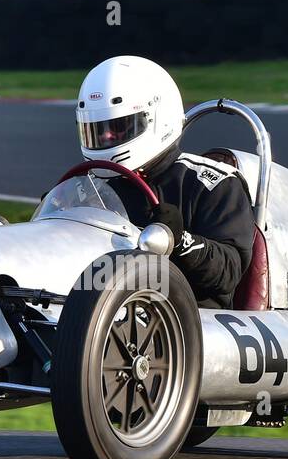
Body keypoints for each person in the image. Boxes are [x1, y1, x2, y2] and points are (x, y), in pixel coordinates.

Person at [74, 55, 256, 309]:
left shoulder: (213, 184)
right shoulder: (89, 187)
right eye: (97, 129)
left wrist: (180, 241)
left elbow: (227, 273)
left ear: (158, 118)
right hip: (99, 311)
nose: (105, 136)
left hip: (189, 322)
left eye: (117, 127)